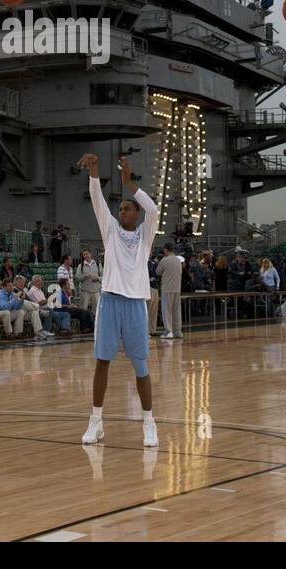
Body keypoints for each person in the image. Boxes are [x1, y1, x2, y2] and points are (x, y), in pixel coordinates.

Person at [78, 153, 160, 449]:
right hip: (110, 302)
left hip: (136, 305)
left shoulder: (145, 236)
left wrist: (130, 183)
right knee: (102, 362)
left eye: (126, 208)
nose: (121, 211)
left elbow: (154, 208)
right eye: (120, 208)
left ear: (135, 214)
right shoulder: (110, 230)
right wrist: (95, 170)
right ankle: (96, 422)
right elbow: (96, 197)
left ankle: (149, 424)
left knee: (141, 367)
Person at [156, 241, 184, 340]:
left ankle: (168, 331)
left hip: (167, 288)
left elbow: (158, 272)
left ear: (165, 250)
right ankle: (178, 331)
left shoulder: (165, 260)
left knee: (166, 311)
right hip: (177, 288)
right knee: (176, 310)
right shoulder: (178, 260)